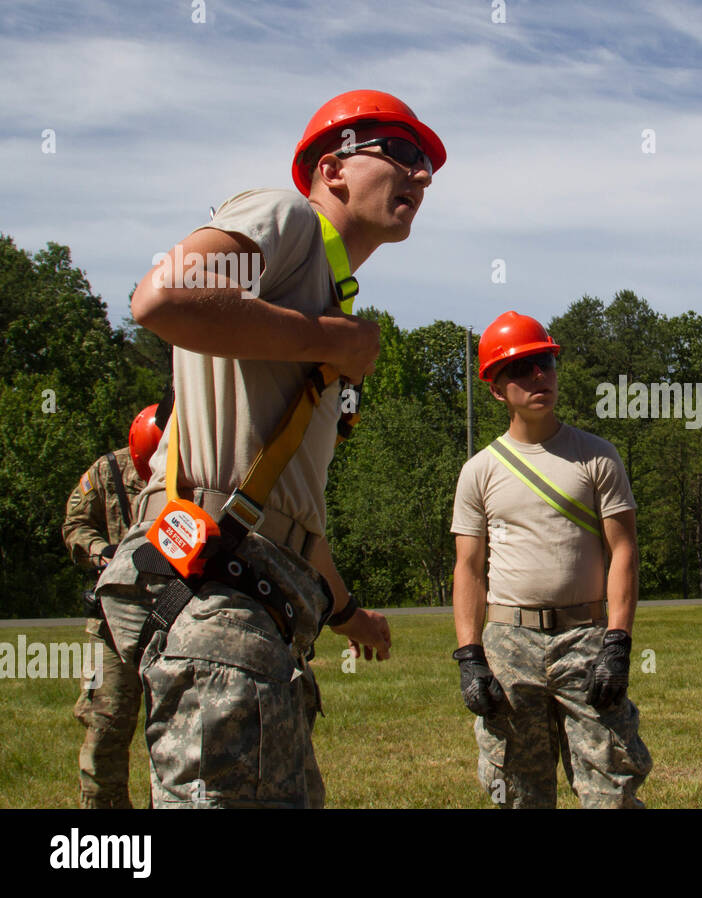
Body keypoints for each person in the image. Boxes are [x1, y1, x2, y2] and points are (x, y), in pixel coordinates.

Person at [96, 89, 445, 807]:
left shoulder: (321, 285)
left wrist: (350, 616)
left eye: (427, 164)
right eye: (403, 153)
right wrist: (331, 342)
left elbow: (277, 513)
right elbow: (162, 297)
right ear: (333, 167)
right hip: (223, 603)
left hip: (259, 600)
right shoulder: (288, 218)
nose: (422, 175)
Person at [450, 311, 652, 808]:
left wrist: (618, 641)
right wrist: (470, 656)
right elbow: (469, 569)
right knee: (518, 791)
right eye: (521, 369)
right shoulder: (479, 472)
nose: (539, 377)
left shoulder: (597, 457)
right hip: (508, 645)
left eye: (545, 363)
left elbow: (623, 549)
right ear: (496, 390)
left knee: (612, 785)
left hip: (585, 637)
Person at [62, 404, 162, 808]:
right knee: (106, 727)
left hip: (172, 620)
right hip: (111, 623)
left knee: (178, 733)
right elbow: (74, 525)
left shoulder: (191, 472)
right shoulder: (106, 472)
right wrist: (102, 552)